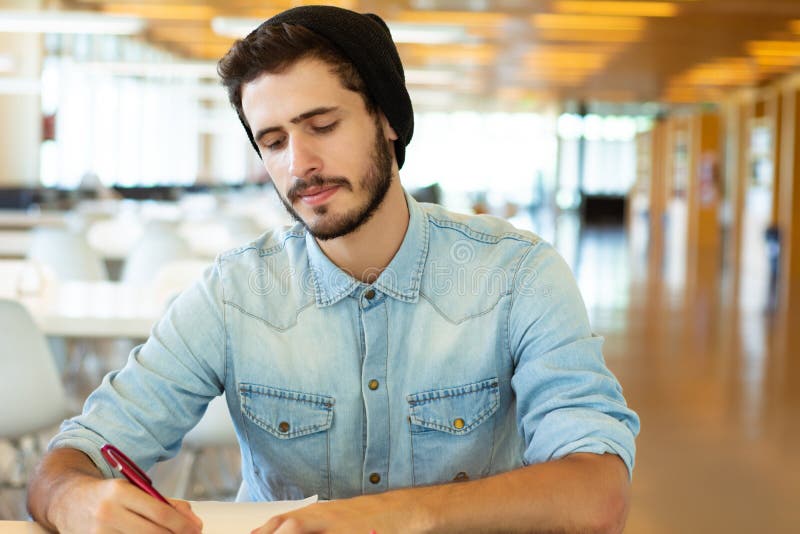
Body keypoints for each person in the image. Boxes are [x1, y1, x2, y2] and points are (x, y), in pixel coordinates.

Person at [27, 5, 640, 533]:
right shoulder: (233, 294)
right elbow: (71, 457)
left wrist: (391, 517)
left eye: (323, 125)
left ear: (389, 121)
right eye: (272, 141)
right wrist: (73, 498)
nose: (301, 164)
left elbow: (598, 494)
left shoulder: (518, 276)